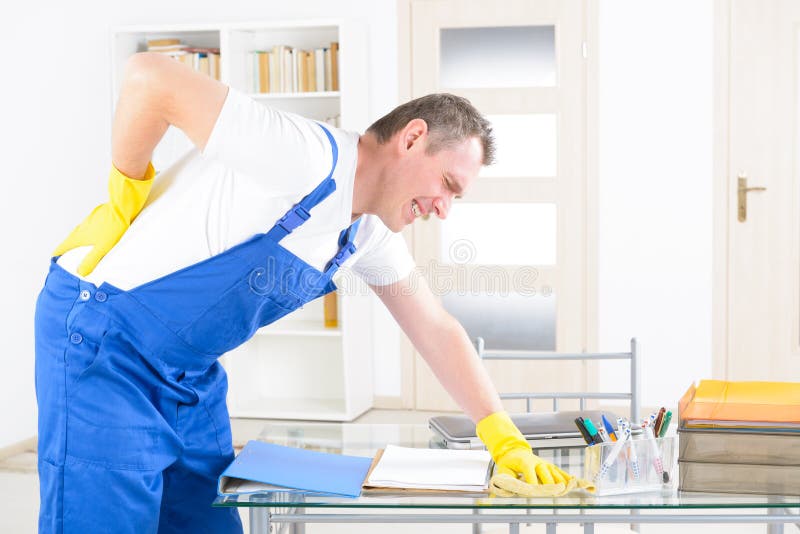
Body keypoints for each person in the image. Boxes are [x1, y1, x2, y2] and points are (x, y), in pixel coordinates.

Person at [35, 52, 574, 533]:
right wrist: (126, 188)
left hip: (187, 372)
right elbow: (150, 78)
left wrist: (504, 437)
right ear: (412, 139)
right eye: (448, 186)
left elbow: (436, 328)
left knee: (202, 520)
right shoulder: (305, 156)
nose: (444, 209)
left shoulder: (366, 233)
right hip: (103, 344)